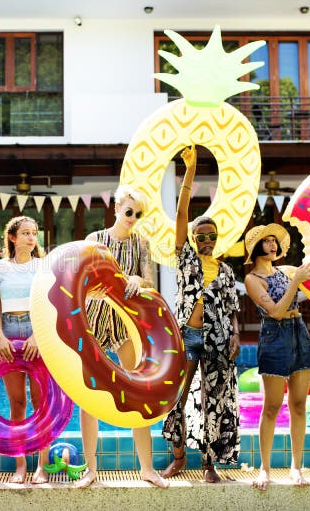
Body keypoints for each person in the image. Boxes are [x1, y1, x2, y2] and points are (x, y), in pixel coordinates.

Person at [77, 184, 169, 489]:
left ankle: (146, 468)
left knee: (136, 392)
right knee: (89, 397)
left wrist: (134, 278)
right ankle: (91, 469)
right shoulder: (95, 240)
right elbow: (78, 280)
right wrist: (94, 289)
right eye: (128, 211)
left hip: (124, 323)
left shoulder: (140, 244)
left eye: (137, 214)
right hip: (93, 320)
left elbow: (148, 280)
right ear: (116, 208)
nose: (132, 217)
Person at [160, 145, 241, 483]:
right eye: (201, 236)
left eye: (211, 235)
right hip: (188, 335)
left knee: (213, 401)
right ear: (193, 239)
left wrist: (236, 333)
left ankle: (209, 464)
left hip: (219, 338)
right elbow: (181, 214)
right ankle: (178, 458)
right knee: (176, 396)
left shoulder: (225, 270)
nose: (206, 239)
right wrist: (189, 172)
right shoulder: (185, 259)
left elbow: (233, 310)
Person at [243, 223, 310, 491]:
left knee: (298, 405)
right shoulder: (252, 279)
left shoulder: (286, 272)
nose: (273, 245)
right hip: (275, 337)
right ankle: (265, 469)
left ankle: (296, 467)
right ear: (255, 247)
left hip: (299, 332)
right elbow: (274, 311)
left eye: (275, 241)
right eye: (266, 241)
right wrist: (295, 281)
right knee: (272, 407)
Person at [0, 215, 49, 484]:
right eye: (25, 233)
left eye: (34, 233)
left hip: (38, 330)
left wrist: (38, 334)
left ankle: (42, 467)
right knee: (18, 403)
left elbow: (50, 302)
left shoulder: (43, 266)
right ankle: (20, 465)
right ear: (12, 237)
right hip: (9, 331)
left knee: (40, 401)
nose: (31, 237)